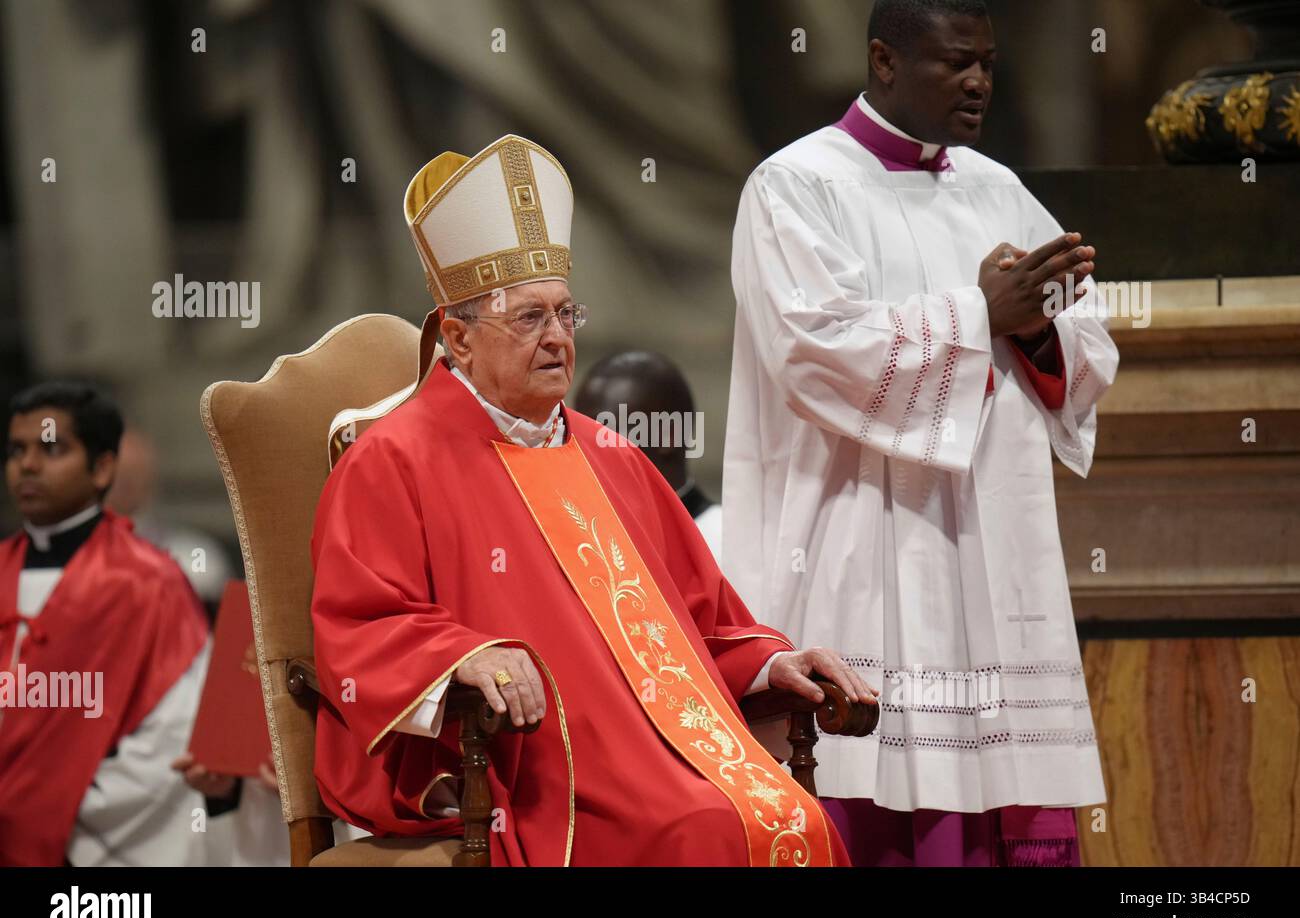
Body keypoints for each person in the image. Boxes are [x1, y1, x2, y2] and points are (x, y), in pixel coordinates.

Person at [310, 134, 875, 866]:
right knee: (699, 833)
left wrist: (776, 665)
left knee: (799, 822)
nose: (557, 341)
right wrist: (464, 659)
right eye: (528, 319)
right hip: (543, 772)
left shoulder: (613, 456)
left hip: (675, 757)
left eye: (566, 315)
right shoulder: (391, 460)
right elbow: (361, 627)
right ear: (458, 336)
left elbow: (703, 626)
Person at [723, 0, 1116, 866]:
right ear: (885, 61)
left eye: (986, 63)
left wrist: (1041, 326)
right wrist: (983, 314)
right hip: (860, 544)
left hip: (988, 544)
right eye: (953, 63)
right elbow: (813, 350)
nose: (977, 82)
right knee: (881, 805)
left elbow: (1087, 351)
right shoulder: (794, 187)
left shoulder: (998, 189)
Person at [0, 382, 212, 865]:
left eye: (51, 449)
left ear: (102, 468)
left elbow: (174, 732)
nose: (27, 465)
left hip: (95, 836)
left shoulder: (149, 582)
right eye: (17, 450)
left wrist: (50, 803)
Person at [572, 350, 722, 556]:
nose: (584, 451)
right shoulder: (584, 545)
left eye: (604, 434)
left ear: (668, 437)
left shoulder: (726, 547)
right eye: (579, 434)